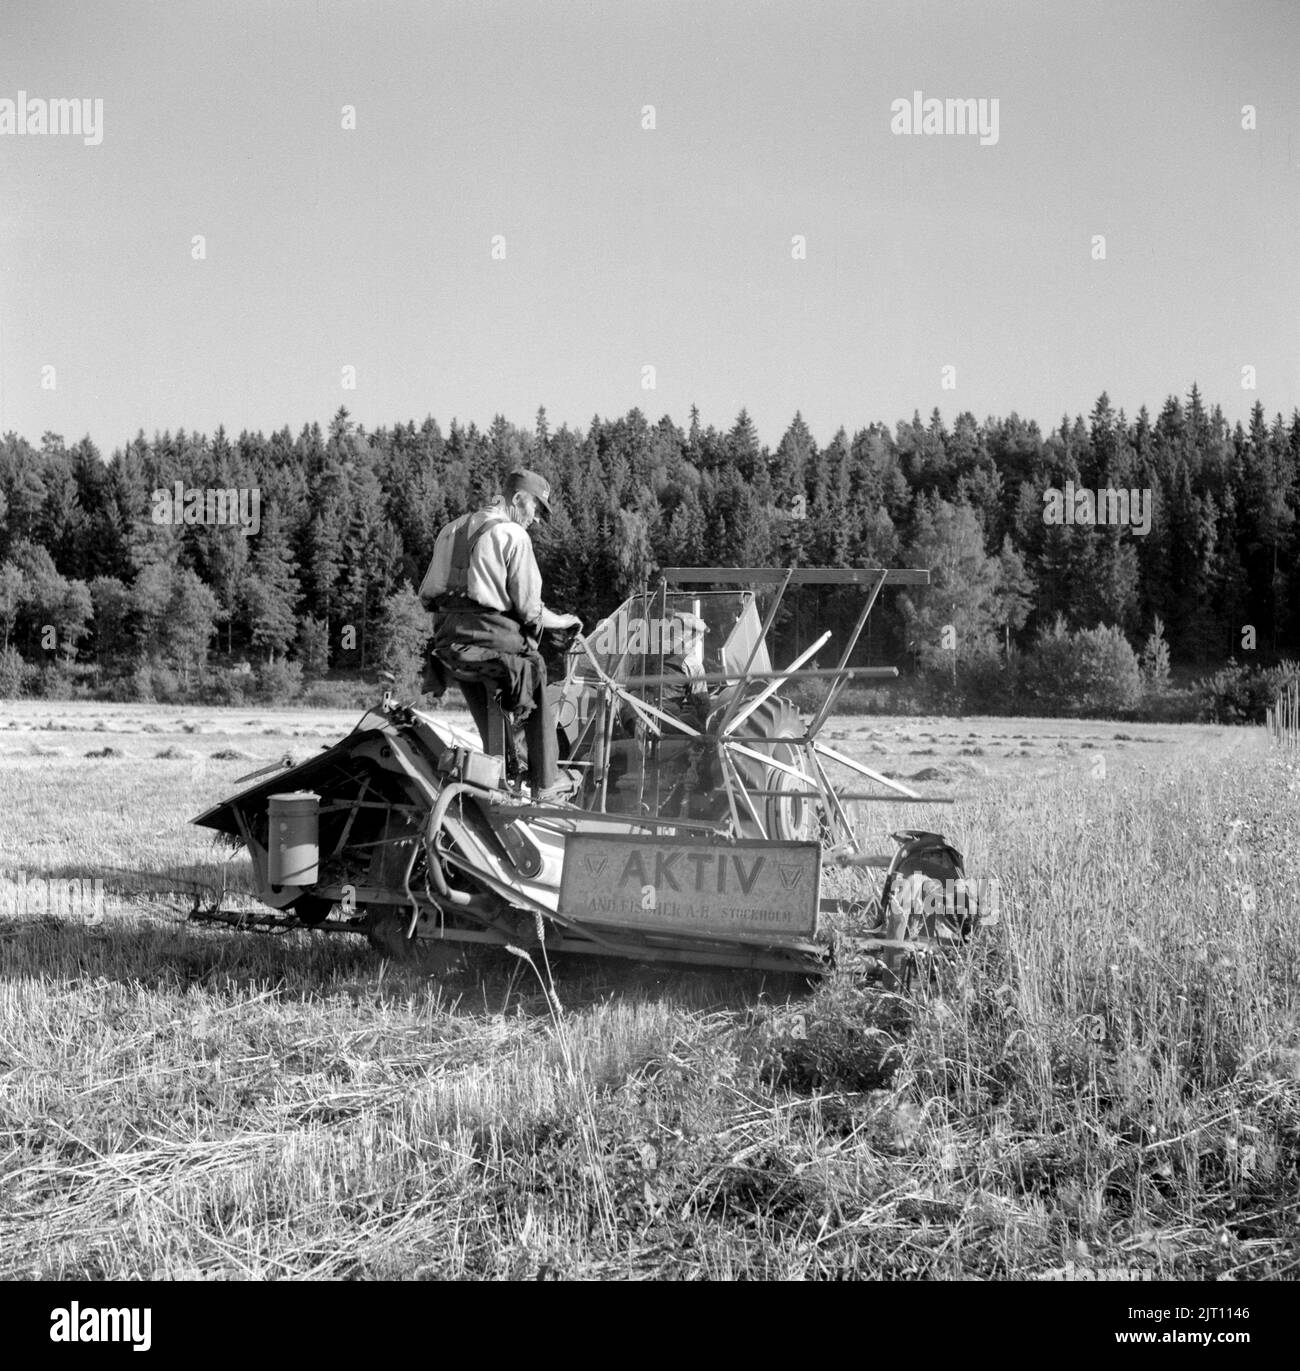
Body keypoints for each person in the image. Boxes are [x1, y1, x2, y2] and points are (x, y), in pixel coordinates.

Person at [418, 471, 582, 801]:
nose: (535, 520)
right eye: (536, 509)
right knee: (533, 669)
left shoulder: (450, 530)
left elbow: (426, 596)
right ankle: (546, 781)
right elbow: (529, 609)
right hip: (490, 635)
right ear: (519, 499)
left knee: (475, 673)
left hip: (449, 641)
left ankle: (506, 765)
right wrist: (565, 622)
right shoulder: (513, 535)